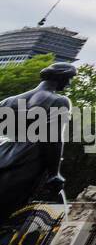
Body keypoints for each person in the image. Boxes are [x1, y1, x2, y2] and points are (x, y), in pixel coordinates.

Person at [0, 61, 75, 222]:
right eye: (69, 78)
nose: (69, 83)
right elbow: (52, 137)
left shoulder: (10, 100)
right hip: (29, 157)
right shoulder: (59, 100)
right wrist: (55, 172)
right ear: (61, 77)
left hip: (4, 154)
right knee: (9, 211)